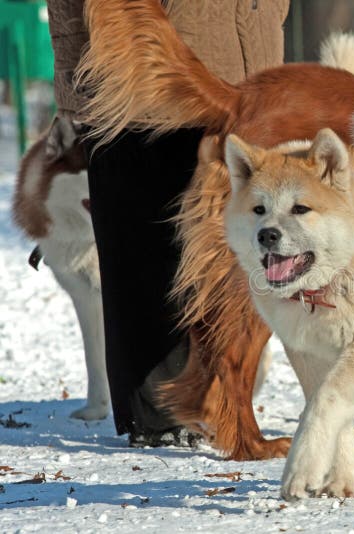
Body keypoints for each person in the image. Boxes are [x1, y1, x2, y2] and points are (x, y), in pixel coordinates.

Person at [45, 0, 290, 445]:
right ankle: (160, 416)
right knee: (145, 254)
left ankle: (222, 405)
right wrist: (73, 88)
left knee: (241, 262)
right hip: (135, 83)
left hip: (244, 90)